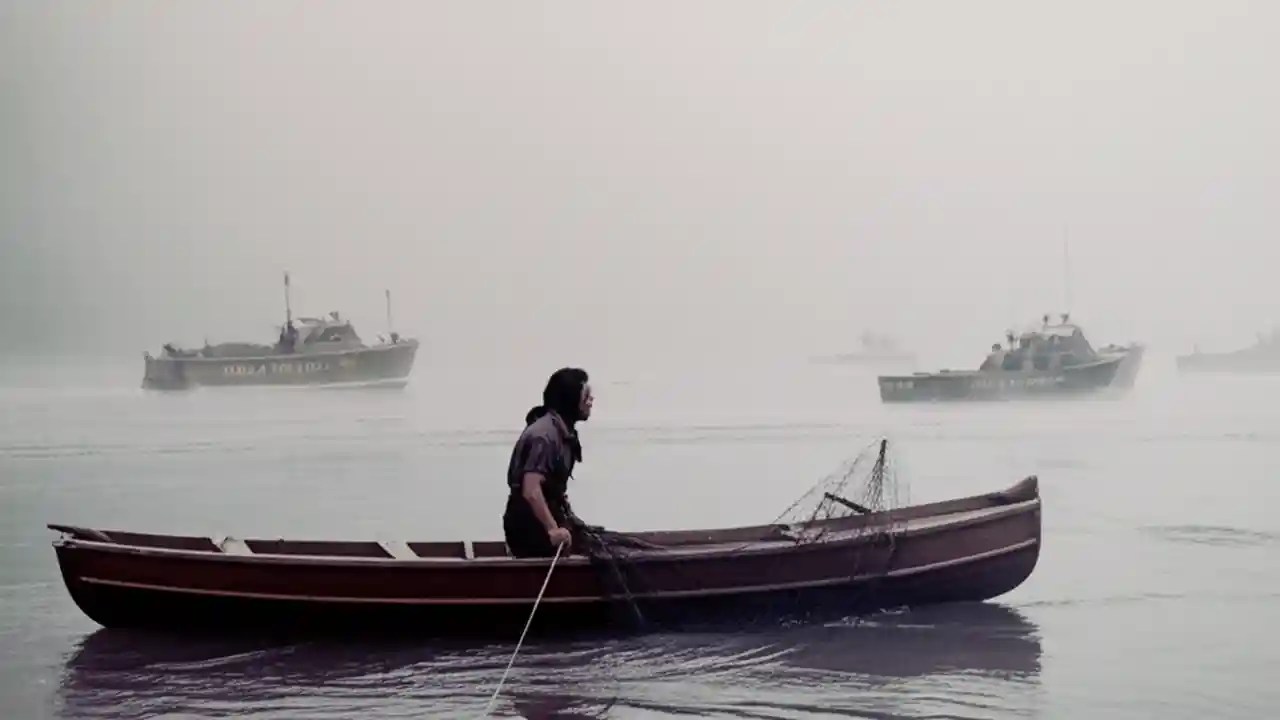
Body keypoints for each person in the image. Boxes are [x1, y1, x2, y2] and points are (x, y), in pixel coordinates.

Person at [503, 367, 594, 558]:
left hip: (550, 514)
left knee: (591, 542)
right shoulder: (543, 436)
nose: (591, 401)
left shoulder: (562, 431)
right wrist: (553, 530)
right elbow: (531, 490)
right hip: (528, 525)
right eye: (586, 396)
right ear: (571, 400)